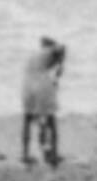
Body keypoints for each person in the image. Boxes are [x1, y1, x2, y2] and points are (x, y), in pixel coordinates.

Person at [22, 36, 66, 168]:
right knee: (51, 121)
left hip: (27, 85)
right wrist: (60, 65)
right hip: (42, 85)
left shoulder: (34, 55)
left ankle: (26, 154)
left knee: (28, 119)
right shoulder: (49, 51)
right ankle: (52, 154)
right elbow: (62, 48)